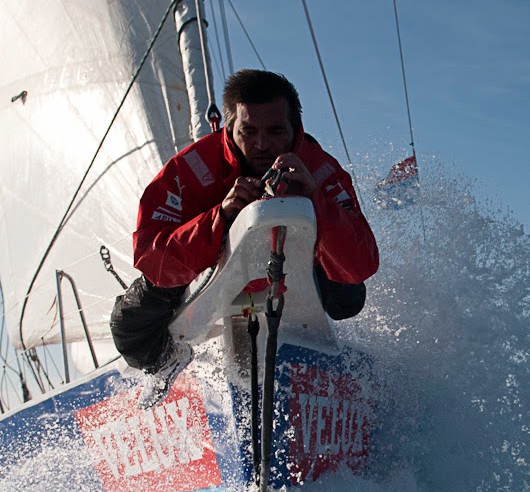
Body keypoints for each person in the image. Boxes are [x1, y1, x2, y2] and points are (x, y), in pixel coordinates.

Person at [110, 69, 379, 399]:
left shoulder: (321, 170)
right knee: (129, 325)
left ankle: (311, 362)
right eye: (248, 132)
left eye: (276, 131)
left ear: (295, 129)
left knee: (350, 297)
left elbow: (361, 264)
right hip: (207, 278)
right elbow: (151, 258)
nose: (262, 144)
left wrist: (316, 203)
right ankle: (172, 369)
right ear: (229, 127)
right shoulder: (191, 168)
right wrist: (219, 217)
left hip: (291, 280)